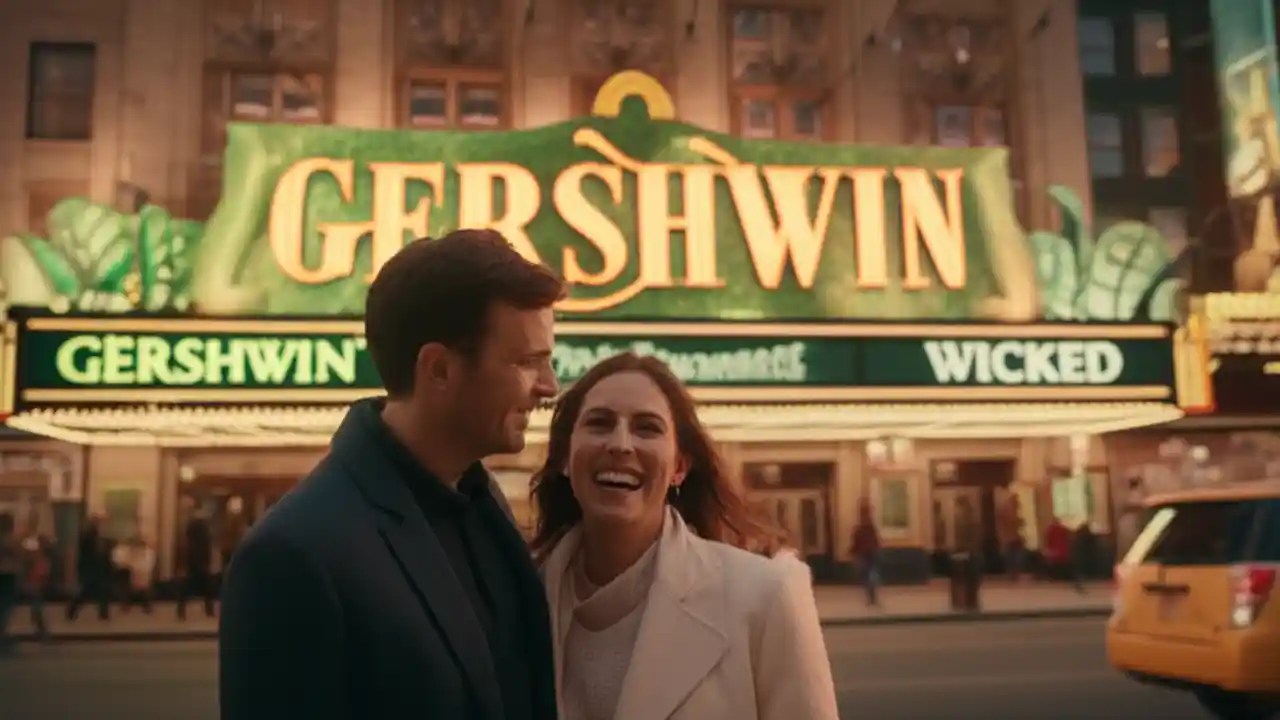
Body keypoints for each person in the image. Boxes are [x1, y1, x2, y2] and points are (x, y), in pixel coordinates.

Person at [219, 229, 563, 720]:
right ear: (439, 369)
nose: (549, 387)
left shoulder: (482, 502)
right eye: (528, 363)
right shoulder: (294, 554)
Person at [530, 352, 839, 720]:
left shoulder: (766, 594)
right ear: (565, 458)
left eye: (647, 428)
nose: (620, 444)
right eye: (599, 423)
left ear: (679, 467)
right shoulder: (518, 597)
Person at [67, 515, 110, 621]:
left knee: (99, 591)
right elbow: (92, 553)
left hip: (92, 568)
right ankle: (73, 610)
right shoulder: (89, 537)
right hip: (91, 568)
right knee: (90, 592)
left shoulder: (90, 537)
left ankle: (103, 613)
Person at [177, 511, 215, 620]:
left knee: (186, 589)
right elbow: (207, 552)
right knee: (208, 589)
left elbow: (185, 551)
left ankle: (181, 611)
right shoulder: (205, 538)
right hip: (202, 564)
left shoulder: (190, 541)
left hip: (192, 564)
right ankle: (209, 610)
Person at [850, 497, 882, 607]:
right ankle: (872, 598)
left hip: (865, 553)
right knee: (870, 575)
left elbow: (857, 541)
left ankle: (872, 598)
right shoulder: (869, 527)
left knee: (867, 576)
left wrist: (853, 551)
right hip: (870, 553)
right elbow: (875, 541)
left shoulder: (863, 528)